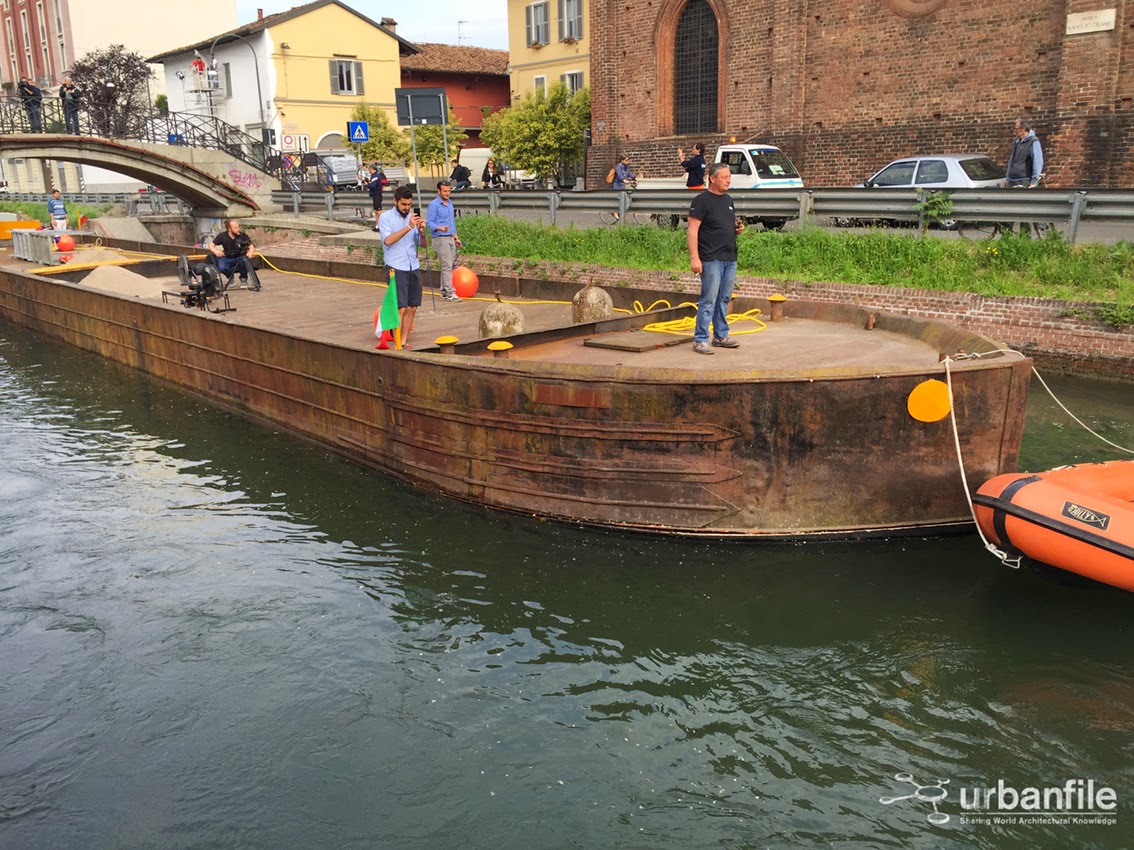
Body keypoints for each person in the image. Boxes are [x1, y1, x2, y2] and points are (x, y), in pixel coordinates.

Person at [687, 162, 745, 355]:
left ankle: (720, 335)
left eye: (729, 177)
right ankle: (700, 339)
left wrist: (737, 230)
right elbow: (693, 230)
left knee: (724, 298)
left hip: (730, 257)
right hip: (711, 258)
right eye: (724, 177)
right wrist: (695, 258)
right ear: (713, 179)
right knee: (709, 298)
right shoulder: (701, 201)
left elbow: (724, 226)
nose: (728, 180)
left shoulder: (728, 200)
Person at [379, 186, 426, 348]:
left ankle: (404, 340)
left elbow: (424, 246)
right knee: (401, 307)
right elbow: (388, 241)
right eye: (403, 204)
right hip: (395, 266)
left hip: (413, 265)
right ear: (395, 201)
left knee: (412, 306)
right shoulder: (385, 218)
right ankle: (397, 341)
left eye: (409, 204)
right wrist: (408, 227)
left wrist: (422, 231)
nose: (407, 208)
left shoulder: (413, 218)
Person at [427, 179, 464, 301]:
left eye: (449, 191)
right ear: (439, 191)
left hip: (449, 237)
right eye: (445, 191)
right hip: (440, 238)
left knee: (448, 265)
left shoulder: (450, 203)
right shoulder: (434, 205)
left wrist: (456, 237)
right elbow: (429, 222)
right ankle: (450, 292)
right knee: (447, 265)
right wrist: (440, 228)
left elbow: (451, 222)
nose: (447, 193)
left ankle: (444, 291)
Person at [209, 218, 259, 290]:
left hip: (240, 256)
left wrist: (250, 253)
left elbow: (251, 246)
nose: (238, 229)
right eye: (235, 228)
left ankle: (243, 279)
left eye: (238, 227)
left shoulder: (242, 236)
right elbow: (211, 245)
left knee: (244, 261)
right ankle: (230, 277)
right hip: (227, 256)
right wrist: (216, 251)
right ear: (229, 229)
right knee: (221, 267)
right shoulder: (222, 236)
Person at [1006, 119, 1044, 189]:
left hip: (1024, 179)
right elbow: (1012, 160)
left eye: (1016, 129)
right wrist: (1008, 177)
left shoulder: (1033, 141)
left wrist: (1034, 181)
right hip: (1012, 179)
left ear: (1023, 129)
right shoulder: (1017, 142)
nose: (1015, 131)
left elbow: (1037, 161)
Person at [367, 163, 384, 231]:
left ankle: (381, 226)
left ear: (371, 168)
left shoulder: (375, 176)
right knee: (376, 211)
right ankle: (377, 226)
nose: (368, 170)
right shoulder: (375, 176)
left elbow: (372, 186)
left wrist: (367, 184)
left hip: (376, 195)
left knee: (379, 211)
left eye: (369, 169)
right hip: (376, 195)